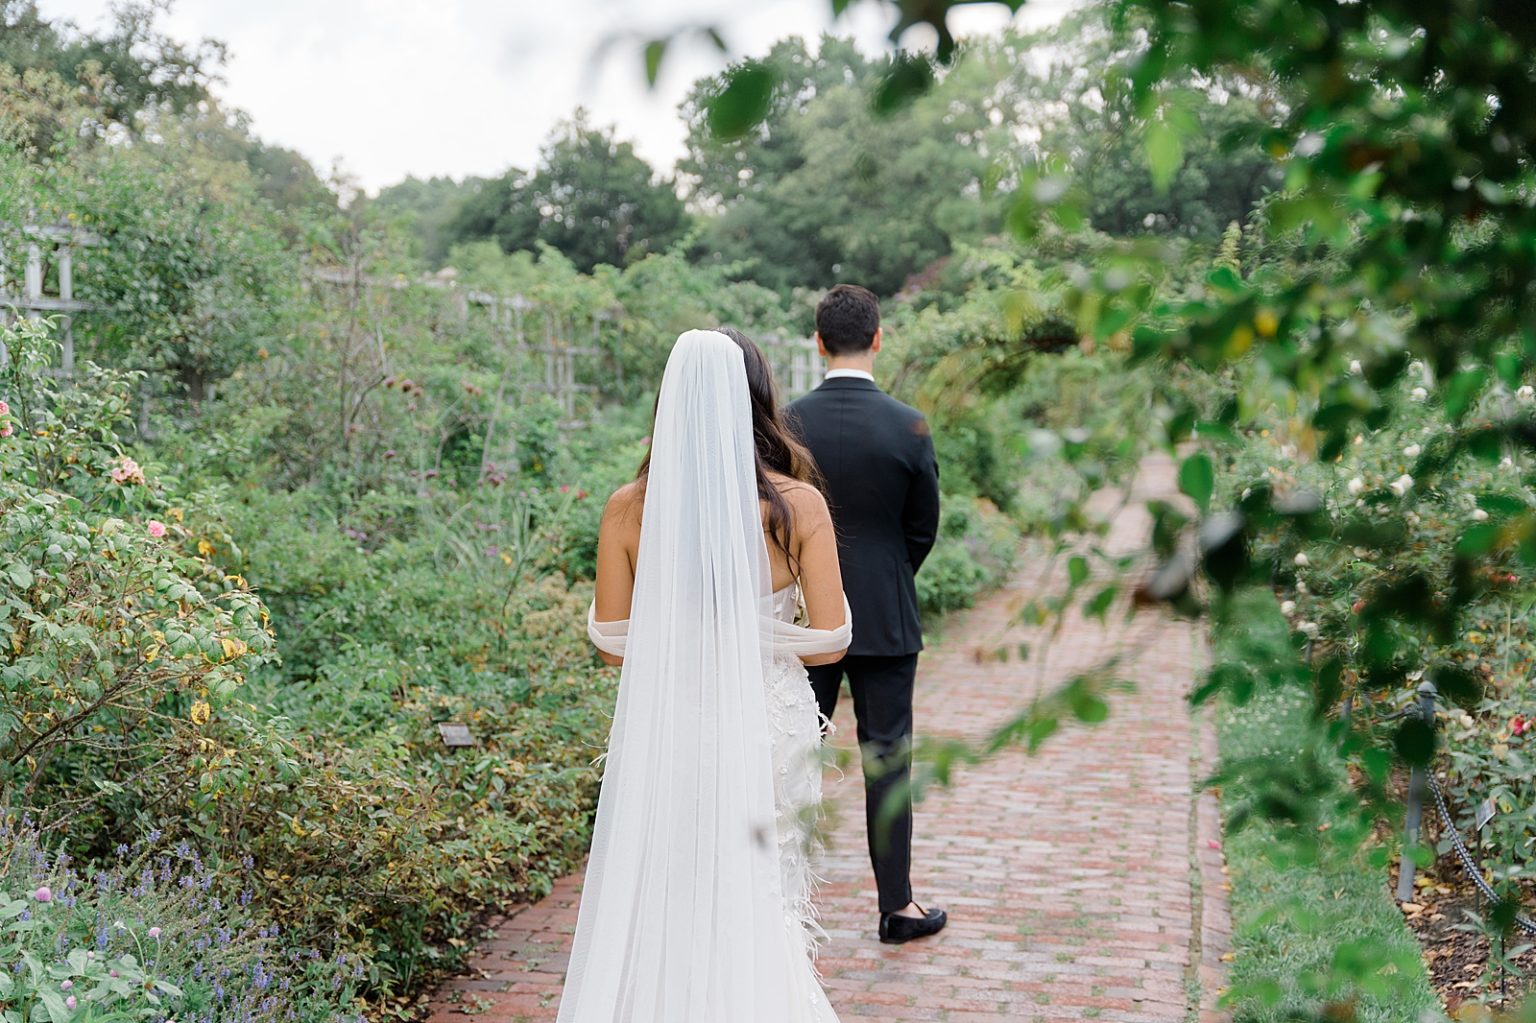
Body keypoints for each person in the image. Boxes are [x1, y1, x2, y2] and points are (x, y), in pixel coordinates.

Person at [558, 328, 851, 1022]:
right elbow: (833, 640)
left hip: (673, 717)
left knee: (672, 885)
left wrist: (689, 640)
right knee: (761, 890)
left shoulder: (628, 507)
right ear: (758, 399)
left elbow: (609, 642)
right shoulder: (798, 505)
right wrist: (751, 637)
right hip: (767, 720)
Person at [784, 284, 946, 945]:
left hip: (804, 622)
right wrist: (886, 579)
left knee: (794, 754)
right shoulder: (909, 424)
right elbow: (922, 525)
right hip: (884, 616)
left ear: (817, 342)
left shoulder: (787, 423)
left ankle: (783, 904)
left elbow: (776, 517)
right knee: (888, 760)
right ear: (878, 338)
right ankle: (897, 906)